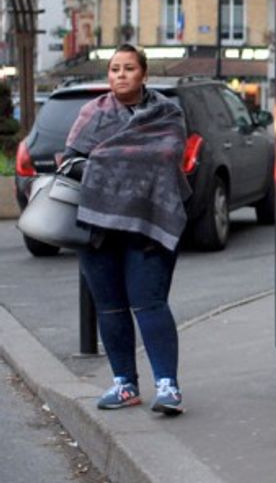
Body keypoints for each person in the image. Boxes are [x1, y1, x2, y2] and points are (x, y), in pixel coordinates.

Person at [64, 44, 191, 416]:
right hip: (98, 224)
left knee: (150, 302)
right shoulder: (92, 113)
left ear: (144, 74)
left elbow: (169, 156)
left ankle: (168, 386)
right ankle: (124, 384)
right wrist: (118, 164)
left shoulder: (167, 113)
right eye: (114, 69)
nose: (120, 75)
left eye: (128, 68)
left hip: (150, 222)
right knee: (110, 307)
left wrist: (107, 161)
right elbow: (70, 159)